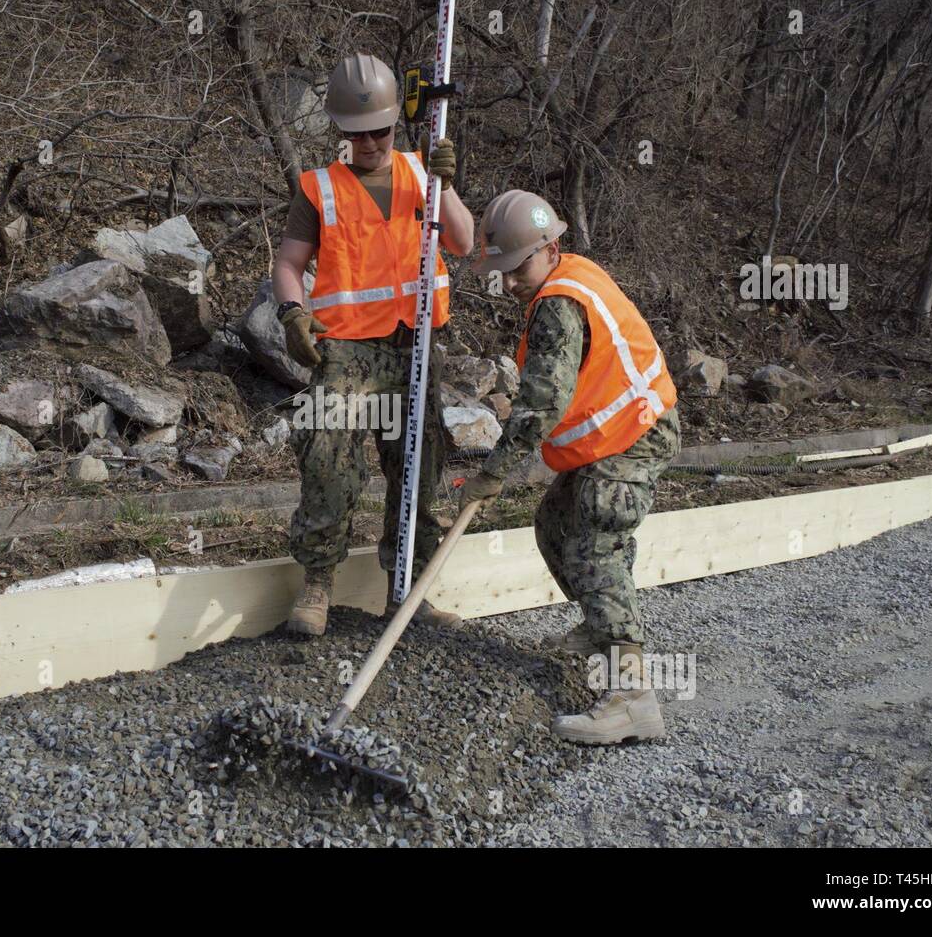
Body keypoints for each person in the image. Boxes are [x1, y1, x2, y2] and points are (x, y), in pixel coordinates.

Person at [458, 190, 681, 744]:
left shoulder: (560, 302)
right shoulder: (568, 275)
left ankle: (632, 698)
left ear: (551, 247)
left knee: (593, 543)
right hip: (612, 437)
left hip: (634, 436)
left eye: (517, 268)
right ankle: (601, 625)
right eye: (502, 271)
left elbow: (542, 401)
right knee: (554, 523)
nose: (508, 283)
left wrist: (493, 473)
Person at [273, 52, 475, 636]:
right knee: (327, 459)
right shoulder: (320, 189)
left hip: (414, 349)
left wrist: (447, 185)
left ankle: (406, 591)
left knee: (419, 466)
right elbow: (289, 263)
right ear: (341, 129)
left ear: (396, 121)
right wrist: (292, 313)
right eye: (356, 133)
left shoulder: (422, 173)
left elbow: (461, 243)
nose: (369, 142)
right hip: (345, 354)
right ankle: (317, 586)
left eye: (380, 130)